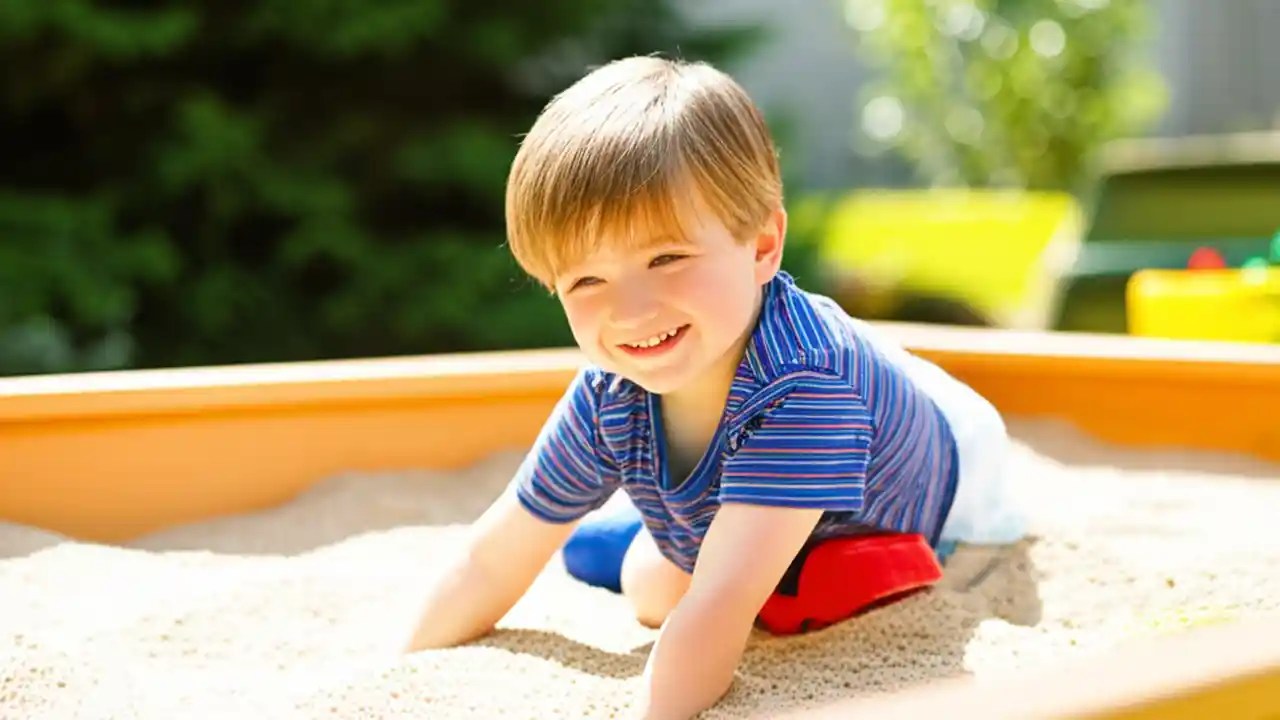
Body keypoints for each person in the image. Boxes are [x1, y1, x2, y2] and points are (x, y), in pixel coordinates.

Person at [405, 55, 1025, 720]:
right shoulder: (610, 391)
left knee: (670, 585)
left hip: (942, 476)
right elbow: (492, 558)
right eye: (587, 281)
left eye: (666, 258)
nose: (632, 310)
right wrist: (402, 670)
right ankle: (687, 526)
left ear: (762, 246)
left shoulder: (807, 395)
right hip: (756, 466)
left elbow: (718, 610)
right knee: (634, 573)